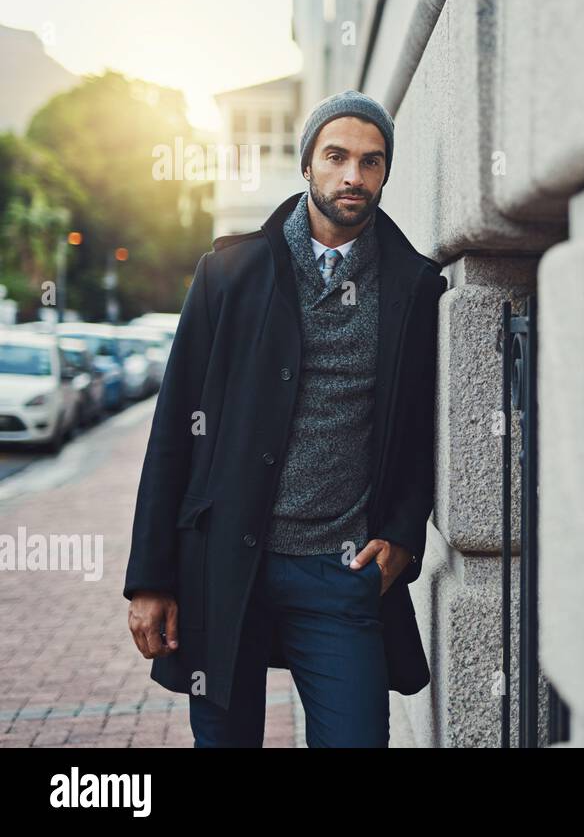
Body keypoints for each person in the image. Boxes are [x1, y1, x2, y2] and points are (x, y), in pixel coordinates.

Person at [124, 90, 445, 747]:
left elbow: (420, 427)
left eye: (371, 161)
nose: (353, 175)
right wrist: (150, 577)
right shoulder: (231, 271)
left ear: (385, 173)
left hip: (342, 571)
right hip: (225, 561)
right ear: (307, 166)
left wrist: (404, 532)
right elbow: (173, 426)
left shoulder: (413, 286)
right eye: (336, 156)